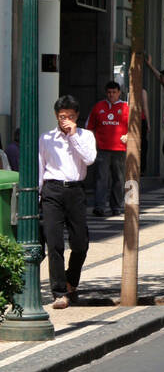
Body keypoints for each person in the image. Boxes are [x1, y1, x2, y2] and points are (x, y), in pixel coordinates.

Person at [39, 95, 97, 309]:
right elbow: (40, 167)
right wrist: (38, 195)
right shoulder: (46, 139)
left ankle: (71, 280)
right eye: (62, 116)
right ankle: (59, 292)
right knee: (54, 244)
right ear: (56, 116)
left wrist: (73, 136)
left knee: (80, 243)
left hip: (75, 190)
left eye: (70, 116)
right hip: (52, 190)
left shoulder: (86, 136)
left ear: (77, 116)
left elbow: (89, 159)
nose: (66, 120)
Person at [86, 80, 129, 217]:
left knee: (119, 179)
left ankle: (116, 206)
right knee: (101, 178)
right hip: (102, 148)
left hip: (120, 149)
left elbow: (135, 127)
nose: (111, 95)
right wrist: (93, 143)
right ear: (106, 93)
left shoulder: (126, 107)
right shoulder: (99, 107)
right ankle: (99, 206)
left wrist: (128, 136)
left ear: (119, 93)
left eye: (114, 92)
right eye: (109, 92)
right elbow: (90, 127)